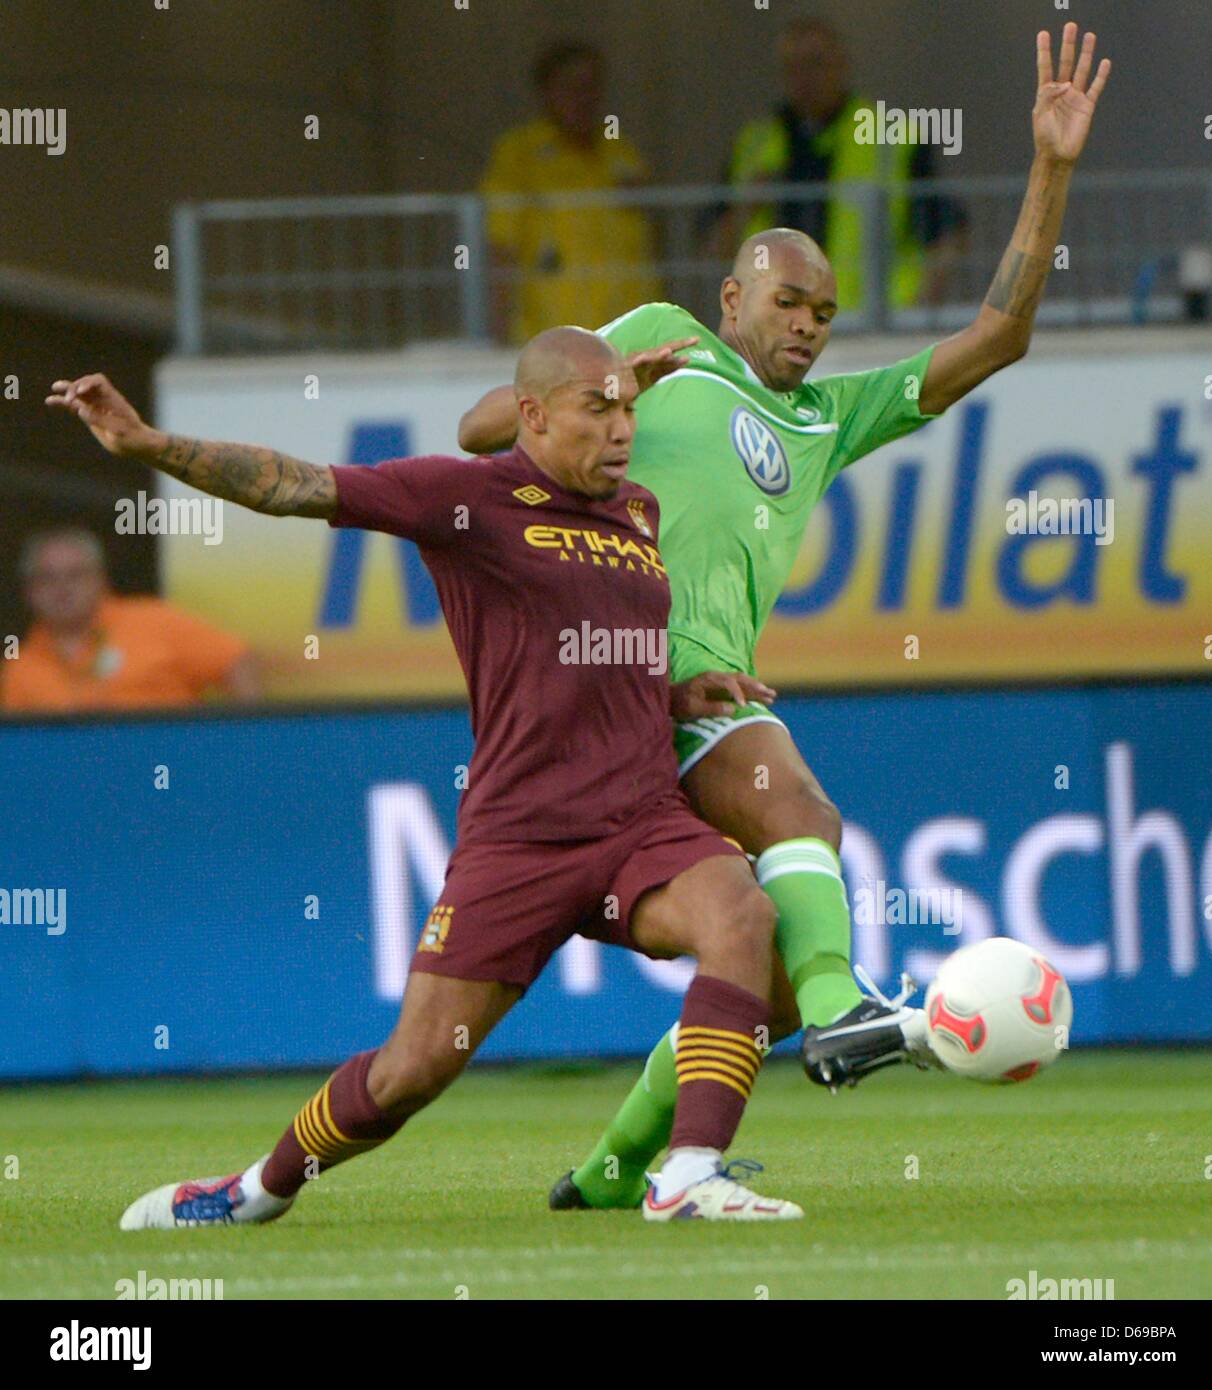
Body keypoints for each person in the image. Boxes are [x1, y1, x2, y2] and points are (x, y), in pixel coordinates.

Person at [458, 24, 1112, 1211]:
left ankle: (614, 1172)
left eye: (823, 307)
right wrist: (607, 386)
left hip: (695, 689)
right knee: (801, 810)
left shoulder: (829, 417)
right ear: (730, 295)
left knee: (744, 966)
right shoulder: (662, 343)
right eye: (787, 299)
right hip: (610, 680)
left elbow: (997, 336)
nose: (808, 323)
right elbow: (481, 429)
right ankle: (845, 1005)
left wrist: (1050, 167)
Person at [46, 326, 804, 1225]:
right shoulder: (465, 498)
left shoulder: (636, 511)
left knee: (744, 914)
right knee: (411, 1071)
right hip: (521, 838)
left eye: (629, 409)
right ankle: (255, 1191)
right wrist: (149, 445)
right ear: (532, 414)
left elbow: (592, 654)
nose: (622, 429)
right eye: (598, 409)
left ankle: (688, 1173)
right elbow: (296, 485)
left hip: (641, 821)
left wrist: (678, 695)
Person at [709, 15, 968, 310]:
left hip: (868, 322)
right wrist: (748, 203)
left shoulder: (891, 136)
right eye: (792, 67)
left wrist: (920, 304)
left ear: (841, 65)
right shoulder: (756, 143)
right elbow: (713, 247)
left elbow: (948, 232)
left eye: (815, 63)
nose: (804, 77)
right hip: (776, 324)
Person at [479, 40, 660, 343]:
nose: (582, 98)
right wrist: (497, 328)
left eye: (590, 86)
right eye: (569, 87)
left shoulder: (619, 149)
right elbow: (501, 245)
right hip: (553, 334)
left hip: (629, 330)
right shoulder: (519, 153)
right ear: (546, 93)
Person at [1, 528, 258, 713]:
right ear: (29, 591)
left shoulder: (154, 621)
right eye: (47, 578)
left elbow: (236, 661)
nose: (62, 588)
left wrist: (246, 747)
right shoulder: (18, 668)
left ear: (100, 579)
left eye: (75, 575)